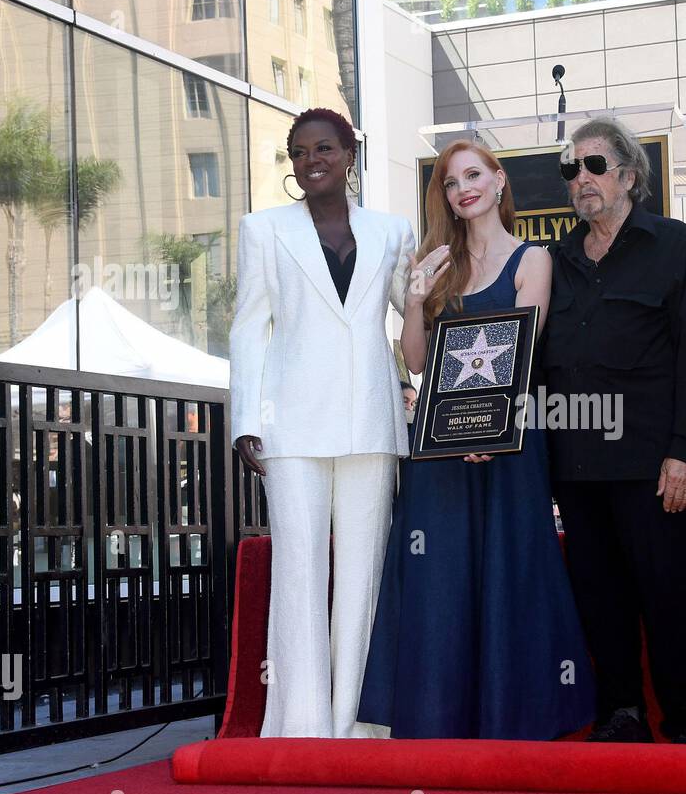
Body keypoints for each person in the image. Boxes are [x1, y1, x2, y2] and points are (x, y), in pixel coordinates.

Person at [357, 139, 595, 739]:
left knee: (507, 571)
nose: (463, 188)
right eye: (450, 181)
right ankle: (438, 725)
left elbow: (525, 345)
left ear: (498, 180)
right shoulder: (435, 266)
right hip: (438, 452)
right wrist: (413, 299)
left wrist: (488, 425)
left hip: (509, 442)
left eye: (473, 175)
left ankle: (512, 724)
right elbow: (415, 361)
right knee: (439, 579)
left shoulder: (532, 259)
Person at [230, 107, 413, 739]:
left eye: (326, 148)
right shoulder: (262, 230)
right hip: (290, 425)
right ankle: (299, 728)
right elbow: (249, 326)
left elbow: (411, 311)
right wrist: (246, 418)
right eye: (301, 152)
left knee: (364, 572)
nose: (314, 160)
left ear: (350, 154)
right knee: (299, 569)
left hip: (371, 420)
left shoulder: (394, 231)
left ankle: (357, 726)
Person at [542, 118, 686, 744]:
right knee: (600, 599)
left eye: (594, 166)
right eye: (571, 171)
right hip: (578, 468)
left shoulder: (674, 245)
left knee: (671, 598)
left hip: (654, 465)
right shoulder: (555, 260)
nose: (581, 181)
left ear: (627, 175)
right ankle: (622, 712)